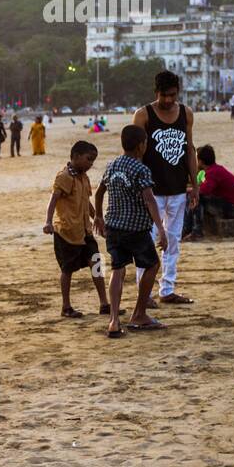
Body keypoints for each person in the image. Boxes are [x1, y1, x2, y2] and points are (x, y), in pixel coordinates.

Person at [94, 125, 168, 338]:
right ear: (141, 145)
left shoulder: (112, 165)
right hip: (136, 229)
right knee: (152, 264)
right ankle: (139, 314)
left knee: (118, 268)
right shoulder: (140, 168)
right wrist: (161, 229)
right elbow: (149, 199)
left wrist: (98, 216)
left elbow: (99, 193)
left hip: (113, 228)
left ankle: (114, 320)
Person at [133, 70, 198, 307]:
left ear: (178, 92)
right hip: (151, 191)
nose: (168, 100)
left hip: (178, 189)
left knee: (173, 241)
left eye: (172, 95)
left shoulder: (186, 114)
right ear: (155, 92)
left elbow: (190, 150)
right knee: (148, 241)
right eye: (164, 95)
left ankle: (167, 289)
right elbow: (135, 156)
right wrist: (140, 188)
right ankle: (145, 293)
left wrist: (195, 184)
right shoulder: (143, 115)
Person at [44, 140, 110, 318]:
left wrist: (97, 218)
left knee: (97, 262)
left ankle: (104, 303)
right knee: (67, 269)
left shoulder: (83, 177)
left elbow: (86, 201)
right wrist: (48, 221)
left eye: (93, 161)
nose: (91, 164)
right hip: (66, 231)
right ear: (77, 156)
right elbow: (53, 199)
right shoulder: (64, 176)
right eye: (89, 159)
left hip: (85, 231)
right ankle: (66, 307)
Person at [188, 145, 234, 237]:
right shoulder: (215, 169)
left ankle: (197, 231)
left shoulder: (213, 172)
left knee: (198, 197)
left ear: (201, 161)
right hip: (233, 206)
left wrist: (187, 190)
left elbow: (203, 191)